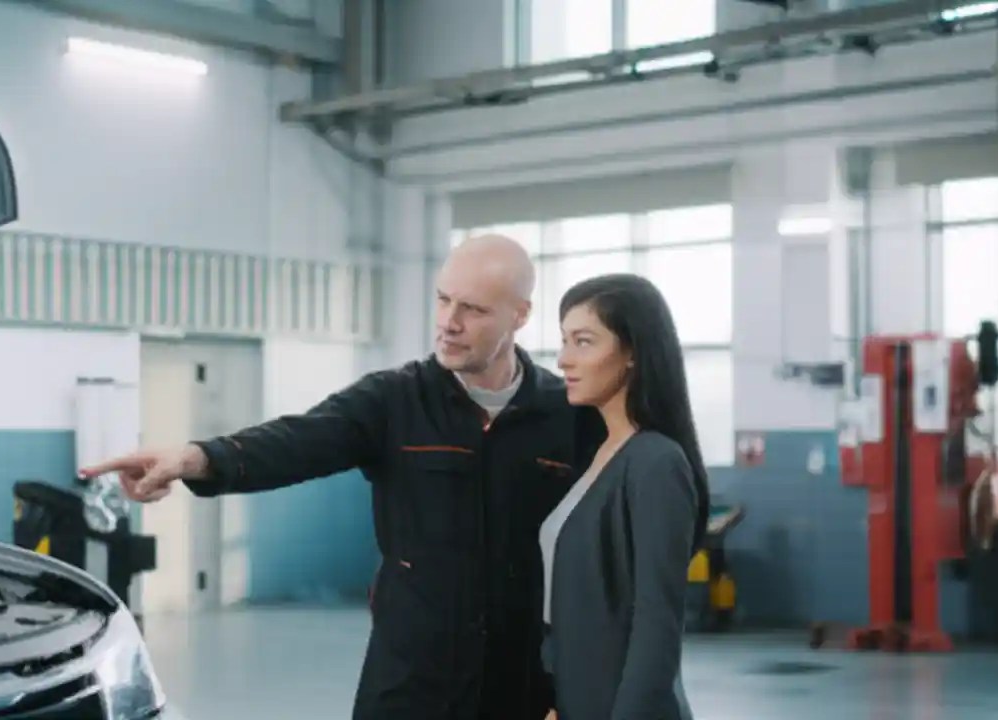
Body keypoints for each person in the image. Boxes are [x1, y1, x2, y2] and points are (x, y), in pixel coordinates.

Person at [79, 234, 605, 720]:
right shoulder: (395, 400)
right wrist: (193, 457)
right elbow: (296, 442)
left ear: (519, 315)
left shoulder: (568, 415)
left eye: (472, 309)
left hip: (524, 687)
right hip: (410, 685)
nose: (448, 321)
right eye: (443, 300)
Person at [539, 273, 709, 720]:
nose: (563, 360)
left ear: (633, 351)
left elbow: (657, 625)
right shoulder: (598, 457)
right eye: (563, 341)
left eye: (584, 342)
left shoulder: (655, 462)